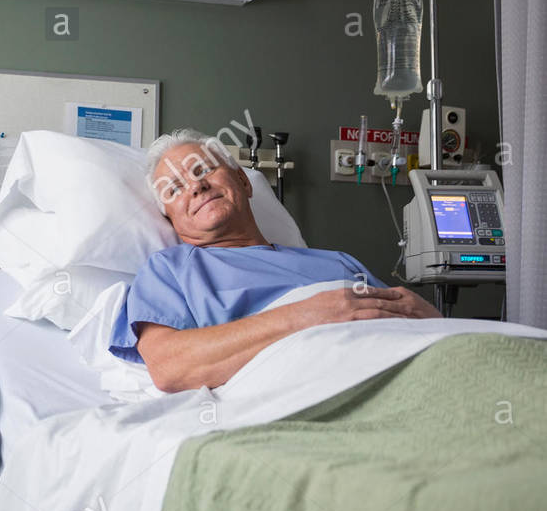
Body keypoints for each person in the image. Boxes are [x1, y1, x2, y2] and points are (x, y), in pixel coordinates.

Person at [110, 129, 441, 393]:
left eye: (204, 169)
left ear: (242, 181)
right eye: (175, 189)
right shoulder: (169, 271)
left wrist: (429, 316)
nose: (196, 185)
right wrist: (308, 315)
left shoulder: (338, 263)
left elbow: (423, 326)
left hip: (409, 371)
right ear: (170, 220)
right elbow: (172, 367)